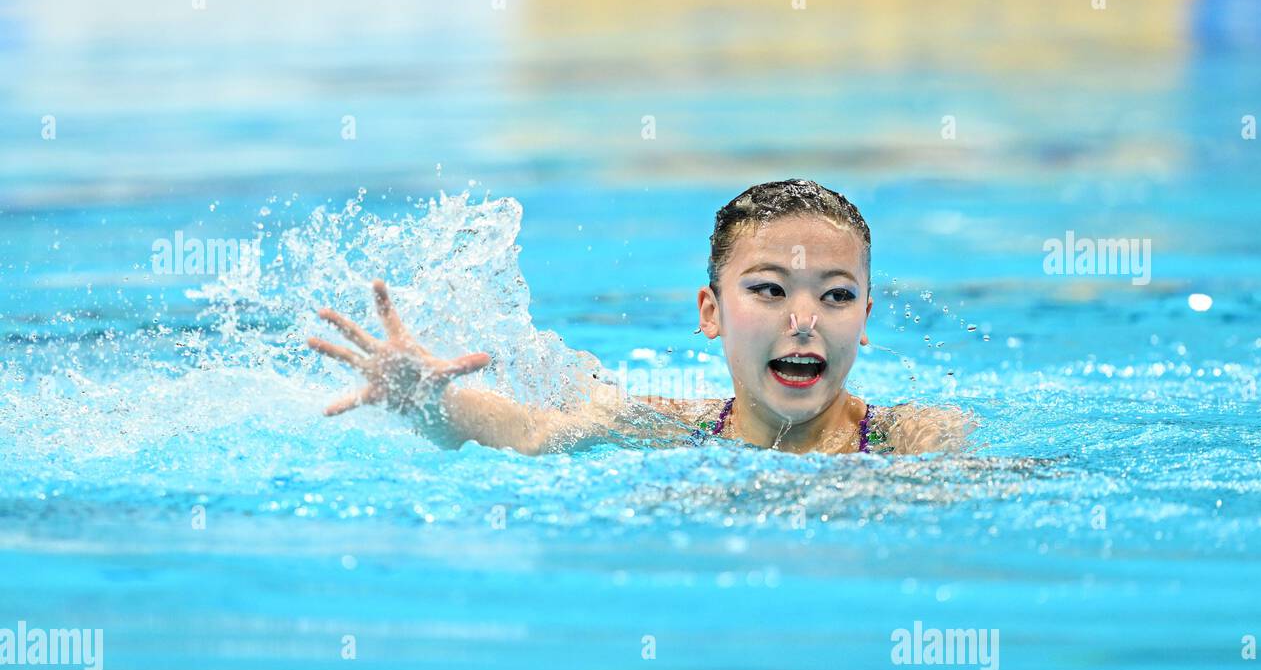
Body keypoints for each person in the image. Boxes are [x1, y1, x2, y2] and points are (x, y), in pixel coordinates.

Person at [307, 179, 973, 455]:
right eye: (769, 290)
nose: (805, 319)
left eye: (835, 296)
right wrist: (430, 400)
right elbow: (536, 434)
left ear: (864, 319)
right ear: (710, 312)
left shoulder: (911, 440)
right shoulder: (664, 428)